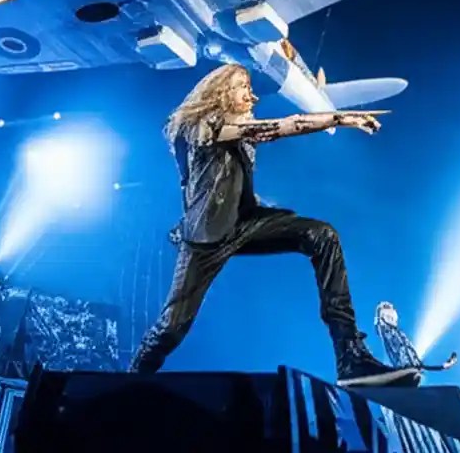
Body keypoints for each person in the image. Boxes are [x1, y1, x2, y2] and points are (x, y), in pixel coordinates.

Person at [128, 63, 418, 387]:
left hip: (245, 223)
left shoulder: (238, 131)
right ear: (222, 93)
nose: (252, 96)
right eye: (242, 87)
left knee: (322, 235)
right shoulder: (205, 126)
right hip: (206, 239)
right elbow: (283, 126)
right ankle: (130, 380)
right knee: (172, 326)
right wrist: (339, 118)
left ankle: (351, 358)